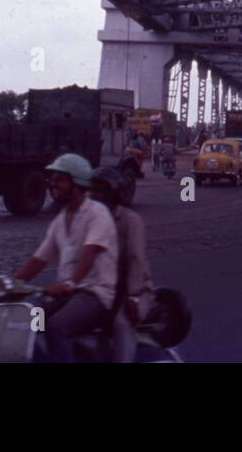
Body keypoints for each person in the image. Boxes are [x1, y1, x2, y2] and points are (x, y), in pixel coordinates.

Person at [13, 154, 118, 363]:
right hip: (66, 297)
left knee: (56, 327)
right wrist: (11, 284)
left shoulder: (98, 214)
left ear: (77, 183)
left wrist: (70, 283)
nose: (52, 184)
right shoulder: (60, 221)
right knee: (25, 323)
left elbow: (89, 256)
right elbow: (38, 260)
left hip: (94, 296)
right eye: (53, 179)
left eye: (60, 179)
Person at [89, 167, 154, 363]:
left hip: (132, 291)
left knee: (121, 323)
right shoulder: (92, 220)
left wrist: (133, 297)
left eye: (100, 191)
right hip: (102, 290)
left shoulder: (130, 220)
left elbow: (136, 260)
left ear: (112, 193)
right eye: (92, 190)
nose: (94, 195)